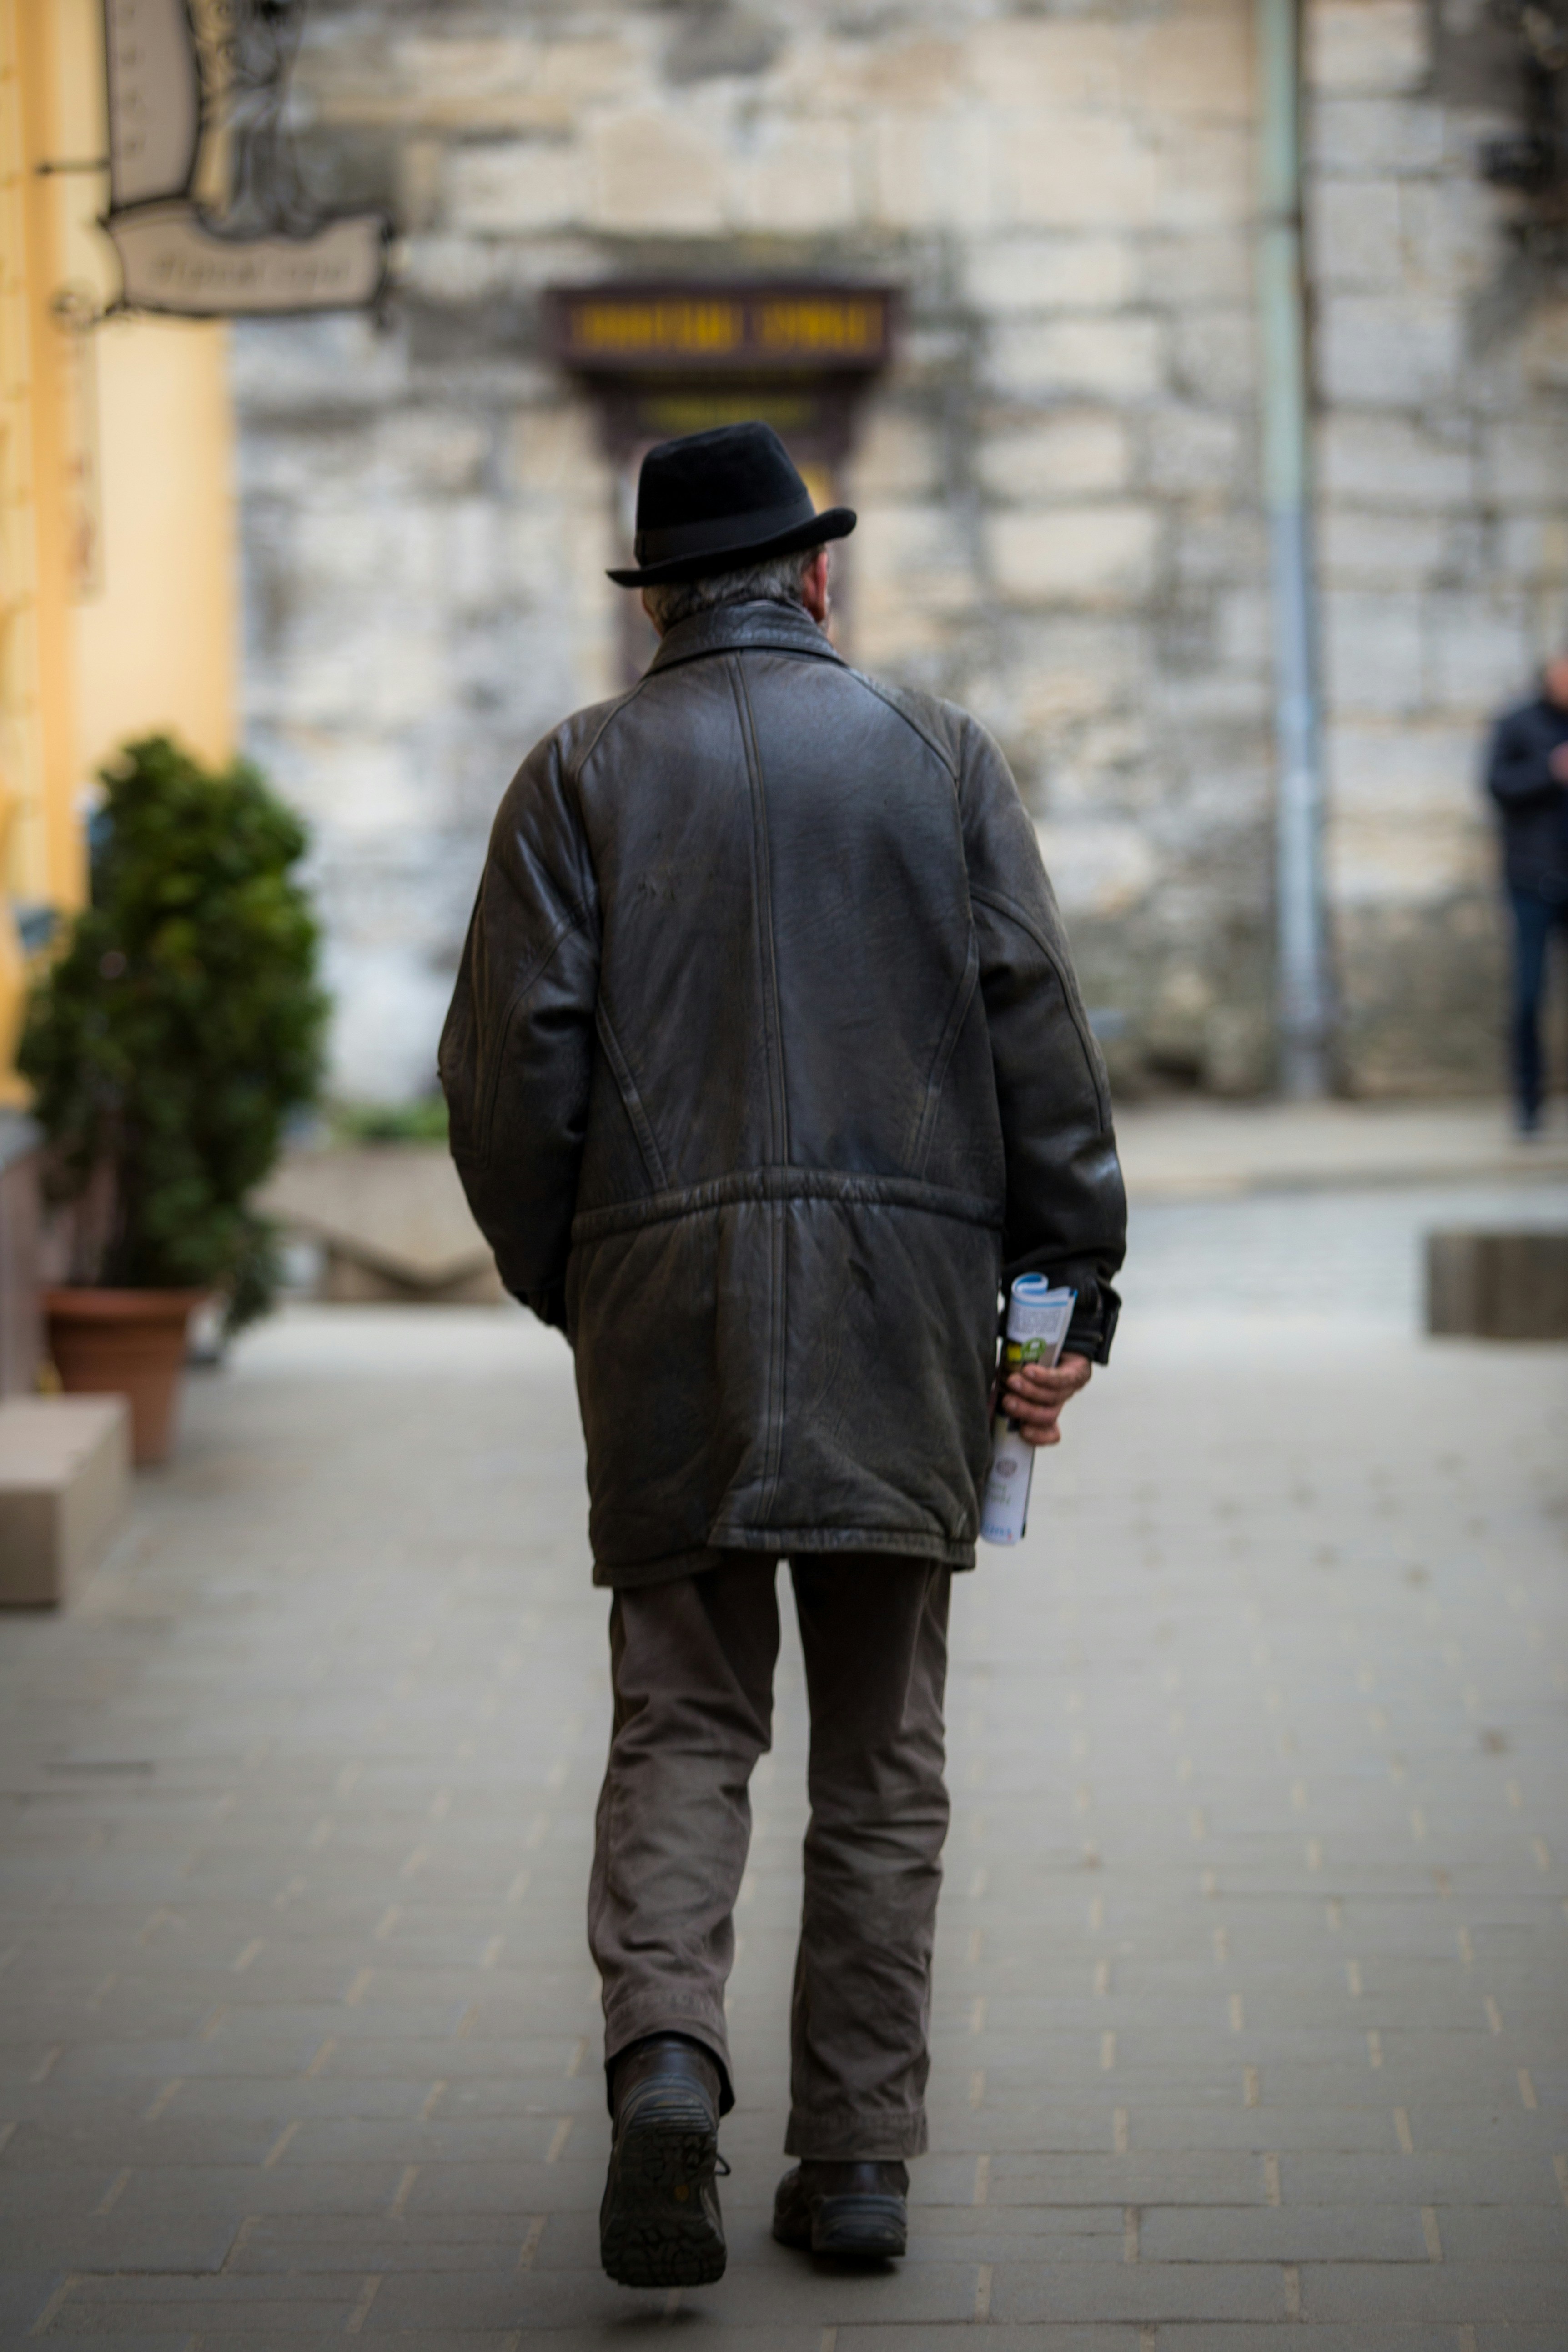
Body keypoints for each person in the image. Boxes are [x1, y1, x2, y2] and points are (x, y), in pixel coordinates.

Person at [439, 422, 1126, 2289]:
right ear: (816, 576)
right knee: (882, 1754)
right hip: (908, 1323)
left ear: (656, 598)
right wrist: (1056, 1316)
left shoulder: (576, 774)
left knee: (684, 1715)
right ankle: (859, 2162)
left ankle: (669, 2063)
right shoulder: (939, 760)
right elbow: (1040, 1065)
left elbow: (508, 1088)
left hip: (672, 1323)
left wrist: (585, 1283)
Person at [1485, 655, 1568, 1131]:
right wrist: (1551, 770)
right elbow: (1497, 785)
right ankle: (1528, 1104)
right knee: (1529, 993)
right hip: (1532, 880)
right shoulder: (1518, 724)